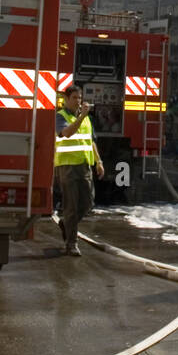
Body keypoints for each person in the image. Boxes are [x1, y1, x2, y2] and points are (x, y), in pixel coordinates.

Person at [49, 86, 104, 256]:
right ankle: (71, 244)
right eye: (74, 97)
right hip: (67, 167)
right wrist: (81, 116)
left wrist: (98, 161)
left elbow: (91, 141)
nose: (78, 100)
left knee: (87, 203)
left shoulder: (86, 119)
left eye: (79, 97)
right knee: (71, 206)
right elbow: (66, 133)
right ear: (66, 99)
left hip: (84, 165)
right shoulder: (61, 116)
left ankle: (67, 224)